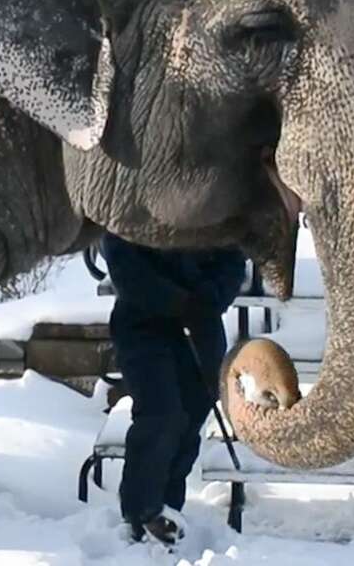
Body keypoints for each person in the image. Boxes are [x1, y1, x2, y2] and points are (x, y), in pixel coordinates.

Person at [99, 233, 247, 546]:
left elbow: (233, 261)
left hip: (202, 326)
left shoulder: (217, 205)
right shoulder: (134, 199)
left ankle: (169, 507)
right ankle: (142, 512)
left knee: (191, 416)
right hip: (143, 325)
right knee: (161, 414)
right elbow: (123, 263)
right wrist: (175, 300)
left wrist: (208, 299)